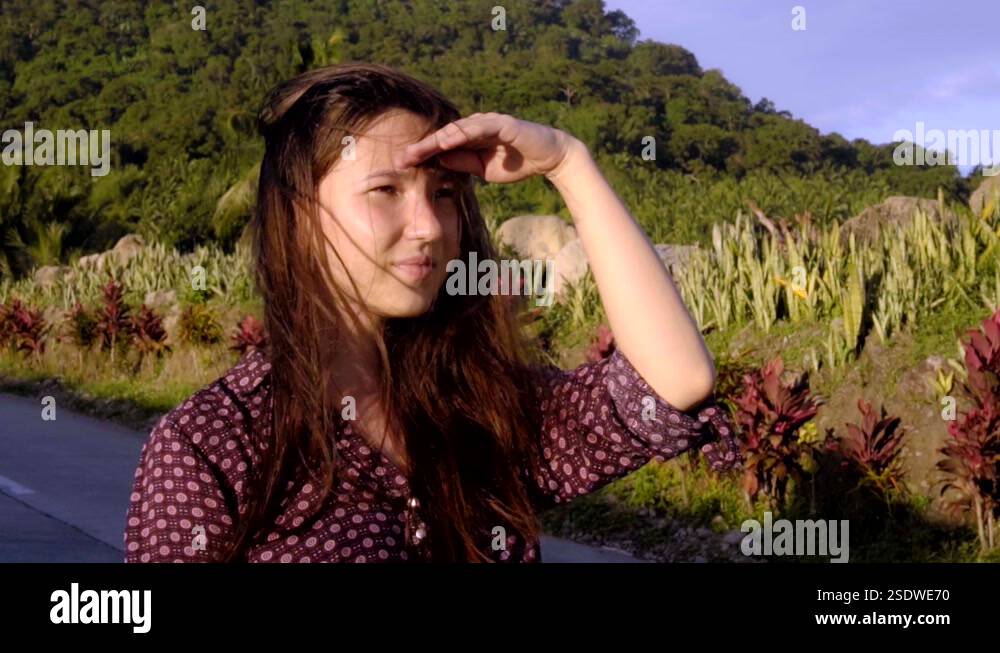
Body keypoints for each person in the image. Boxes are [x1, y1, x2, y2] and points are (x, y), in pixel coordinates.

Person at [124, 62, 739, 563]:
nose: (429, 228)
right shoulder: (212, 445)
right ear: (299, 216)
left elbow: (676, 380)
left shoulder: (481, 406)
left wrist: (568, 166)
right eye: (386, 191)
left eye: (444, 195)